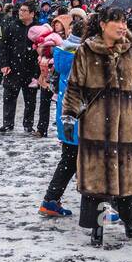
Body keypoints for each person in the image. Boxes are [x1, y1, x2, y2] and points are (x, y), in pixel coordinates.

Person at [61, 8, 132, 246]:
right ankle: (97, 227)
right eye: (117, 22)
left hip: (125, 125)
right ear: (103, 25)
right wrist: (69, 117)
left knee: (127, 176)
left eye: (124, 22)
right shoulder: (86, 51)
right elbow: (74, 87)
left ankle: (129, 220)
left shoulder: (130, 51)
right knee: (96, 180)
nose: (122, 26)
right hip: (95, 124)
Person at [38, 12, 87, 218]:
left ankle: (51, 200)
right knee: (81, 160)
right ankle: (100, 204)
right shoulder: (84, 55)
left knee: (69, 159)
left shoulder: (62, 51)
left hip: (66, 113)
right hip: (80, 113)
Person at [0, 1, 39, 134]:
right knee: (9, 97)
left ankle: (28, 124)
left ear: (32, 13)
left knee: (30, 99)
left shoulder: (38, 28)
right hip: (12, 68)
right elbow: (3, 47)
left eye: (25, 10)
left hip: (31, 69)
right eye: (20, 10)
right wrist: (4, 64)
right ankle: (7, 123)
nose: (21, 12)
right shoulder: (11, 26)